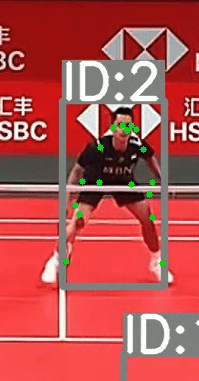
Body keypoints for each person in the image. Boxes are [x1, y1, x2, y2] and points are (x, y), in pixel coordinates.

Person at [41, 106, 168, 285]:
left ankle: (157, 262)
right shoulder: (97, 147)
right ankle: (55, 259)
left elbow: (150, 158)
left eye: (128, 125)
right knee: (77, 222)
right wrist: (67, 200)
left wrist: (162, 179)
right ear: (113, 127)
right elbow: (76, 172)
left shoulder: (137, 145)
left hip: (124, 182)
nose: (124, 129)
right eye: (120, 125)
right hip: (95, 181)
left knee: (147, 218)